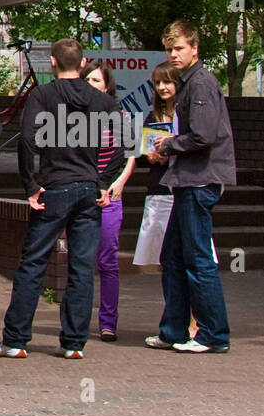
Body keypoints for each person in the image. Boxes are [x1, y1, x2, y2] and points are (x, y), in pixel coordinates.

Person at [0, 38, 123, 360]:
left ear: (52, 62)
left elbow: (27, 141)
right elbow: (120, 147)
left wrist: (31, 185)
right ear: (82, 65)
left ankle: (16, 340)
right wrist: (104, 181)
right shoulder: (101, 101)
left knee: (34, 262)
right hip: (89, 191)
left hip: (56, 188)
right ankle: (73, 343)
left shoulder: (43, 95)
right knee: (80, 266)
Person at [144, 19, 236, 354]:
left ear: (195, 48)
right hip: (188, 180)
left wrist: (169, 144)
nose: (174, 54)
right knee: (172, 256)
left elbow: (204, 135)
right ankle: (173, 330)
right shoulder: (189, 82)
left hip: (200, 180)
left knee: (197, 257)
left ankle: (213, 334)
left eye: (179, 48)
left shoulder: (201, 83)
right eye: (169, 49)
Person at [81, 59, 135, 342]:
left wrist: (117, 184)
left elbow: (130, 154)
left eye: (96, 81)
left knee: (108, 262)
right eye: (87, 80)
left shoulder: (118, 113)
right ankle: (78, 321)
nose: (92, 86)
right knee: (79, 260)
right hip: (83, 194)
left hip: (110, 194)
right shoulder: (74, 114)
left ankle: (108, 322)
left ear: (107, 86)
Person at [133, 61, 181, 267]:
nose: (162, 87)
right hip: (158, 186)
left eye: (167, 82)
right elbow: (143, 149)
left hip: (182, 185)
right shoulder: (153, 116)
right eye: (158, 82)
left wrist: (172, 153)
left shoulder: (186, 113)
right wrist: (151, 156)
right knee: (160, 253)